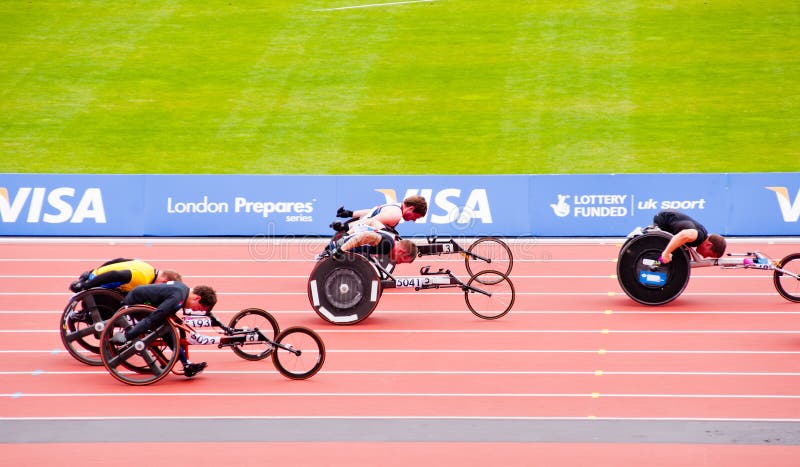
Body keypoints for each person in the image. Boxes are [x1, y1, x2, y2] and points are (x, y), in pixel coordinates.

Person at [110, 282, 217, 378]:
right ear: (197, 298)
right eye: (198, 308)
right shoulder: (178, 298)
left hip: (143, 302)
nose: (193, 310)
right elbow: (155, 316)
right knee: (165, 329)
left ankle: (185, 363)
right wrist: (128, 336)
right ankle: (186, 364)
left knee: (168, 328)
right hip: (133, 306)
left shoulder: (183, 289)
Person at [69, 258, 181, 294]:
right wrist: (86, 285)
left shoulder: (147, 267)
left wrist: (96, 270)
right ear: (164, 281)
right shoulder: (143, 277)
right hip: (98, 282)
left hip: (95, 275)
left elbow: (119, 260)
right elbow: (114, 274)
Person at [652, 210, 726, 263]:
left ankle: (657, 263)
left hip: (669, 218)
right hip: (663, 221)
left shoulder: (702, 234)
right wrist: (666, 253)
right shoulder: (698, 237)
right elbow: (684, 235)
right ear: (709, 245)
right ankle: (655, 263)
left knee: (681, 256)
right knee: (666, 255)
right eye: (709, 254)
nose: (704, 257)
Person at [335, 195, 428, 233]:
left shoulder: (395, 206)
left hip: (353, 230)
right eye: (415, 217)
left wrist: (349, 213)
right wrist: (345, 227)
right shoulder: (395, 214)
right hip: (352, 232)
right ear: (411, 208)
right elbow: (369, 222)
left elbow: (371, 212)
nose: (414, 220)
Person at [331, 227, 419, 265]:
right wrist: (341, 250)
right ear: (402, 252)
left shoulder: (389, 241)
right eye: (400, 261)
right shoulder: (388, 244)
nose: (397, 263)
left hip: (341, 244)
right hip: (339, 248)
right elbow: (365, 236)